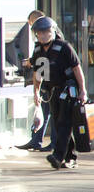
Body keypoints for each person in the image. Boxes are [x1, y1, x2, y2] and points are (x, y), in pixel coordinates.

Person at [30, 16, 87, 170]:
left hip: (68, 89)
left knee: (64, 123)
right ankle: (69, 157)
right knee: (58, 123)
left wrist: (83, 90)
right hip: (52, 91)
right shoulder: (38, 50)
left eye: (46, 32)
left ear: (53, 31)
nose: (43, 35)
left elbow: (77, 68)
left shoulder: (63, 47)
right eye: (39, 33)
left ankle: (57, 156)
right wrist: (36, 92)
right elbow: (37, 74)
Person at [14, 10, 52, 151]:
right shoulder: (41, 41)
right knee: (43, 110)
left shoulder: (53, 39)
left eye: (32, 23)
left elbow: (43, 64)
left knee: (51, 112)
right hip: (45, 80)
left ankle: (50, 142)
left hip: (51, 82)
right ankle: (36, 140)